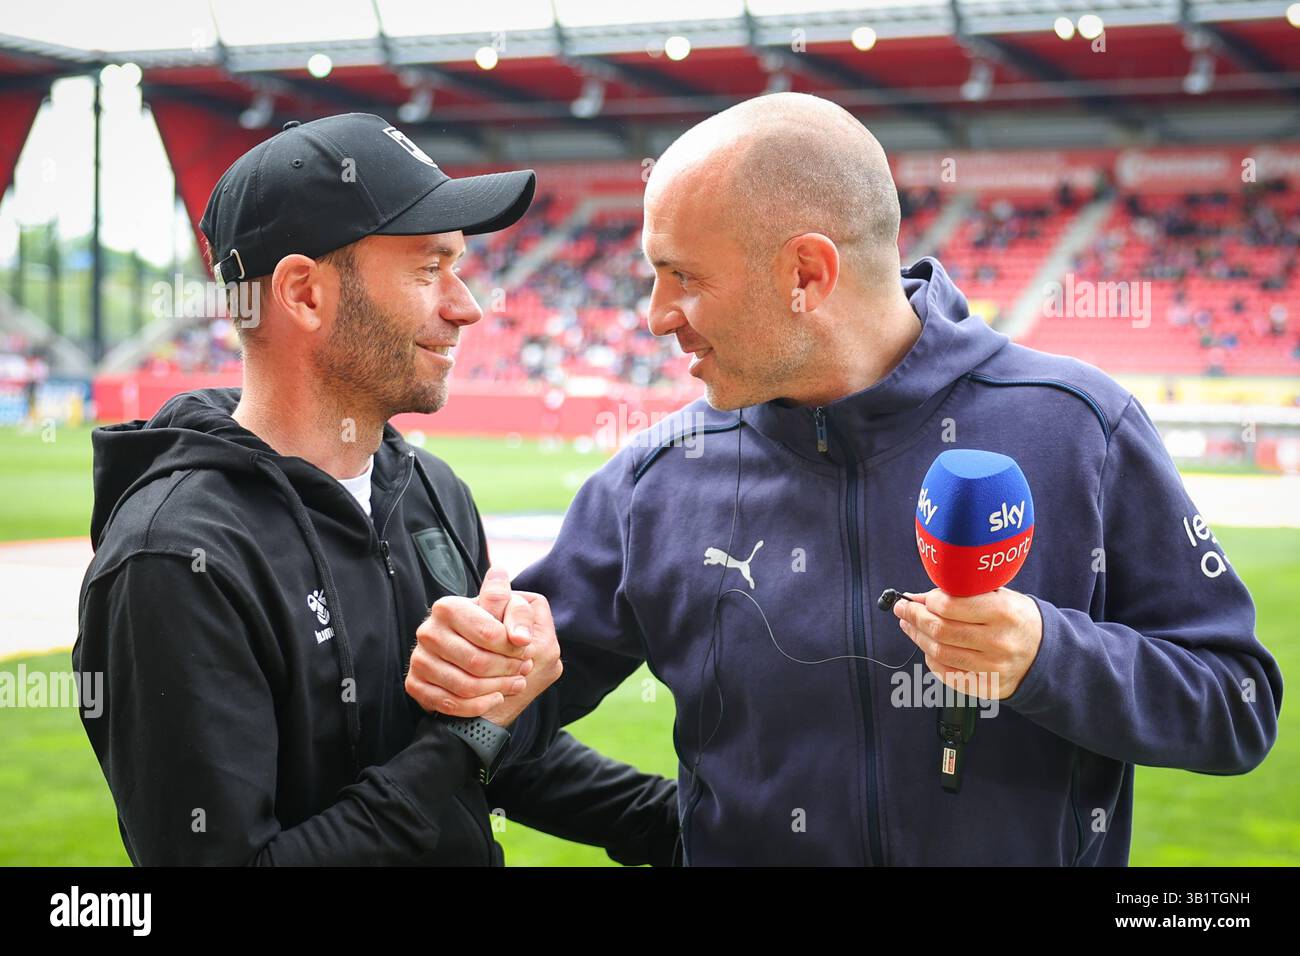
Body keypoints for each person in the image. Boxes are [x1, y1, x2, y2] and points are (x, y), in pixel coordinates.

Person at [406, 93, 1283, 865]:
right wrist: (486, 670)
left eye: (683, 277)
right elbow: (498, 727)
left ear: (806, 275)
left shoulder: (1076, 426)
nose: (656, 315)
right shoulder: (654, 482)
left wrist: (1052, 657)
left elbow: (1238, 706)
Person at [73, 112, 679, 866]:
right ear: (302, 294)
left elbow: (495, 757)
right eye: (430, 269)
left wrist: (682, 826)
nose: (468, 306)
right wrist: (469, 736)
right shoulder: (175, 558)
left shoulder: (428, 488)